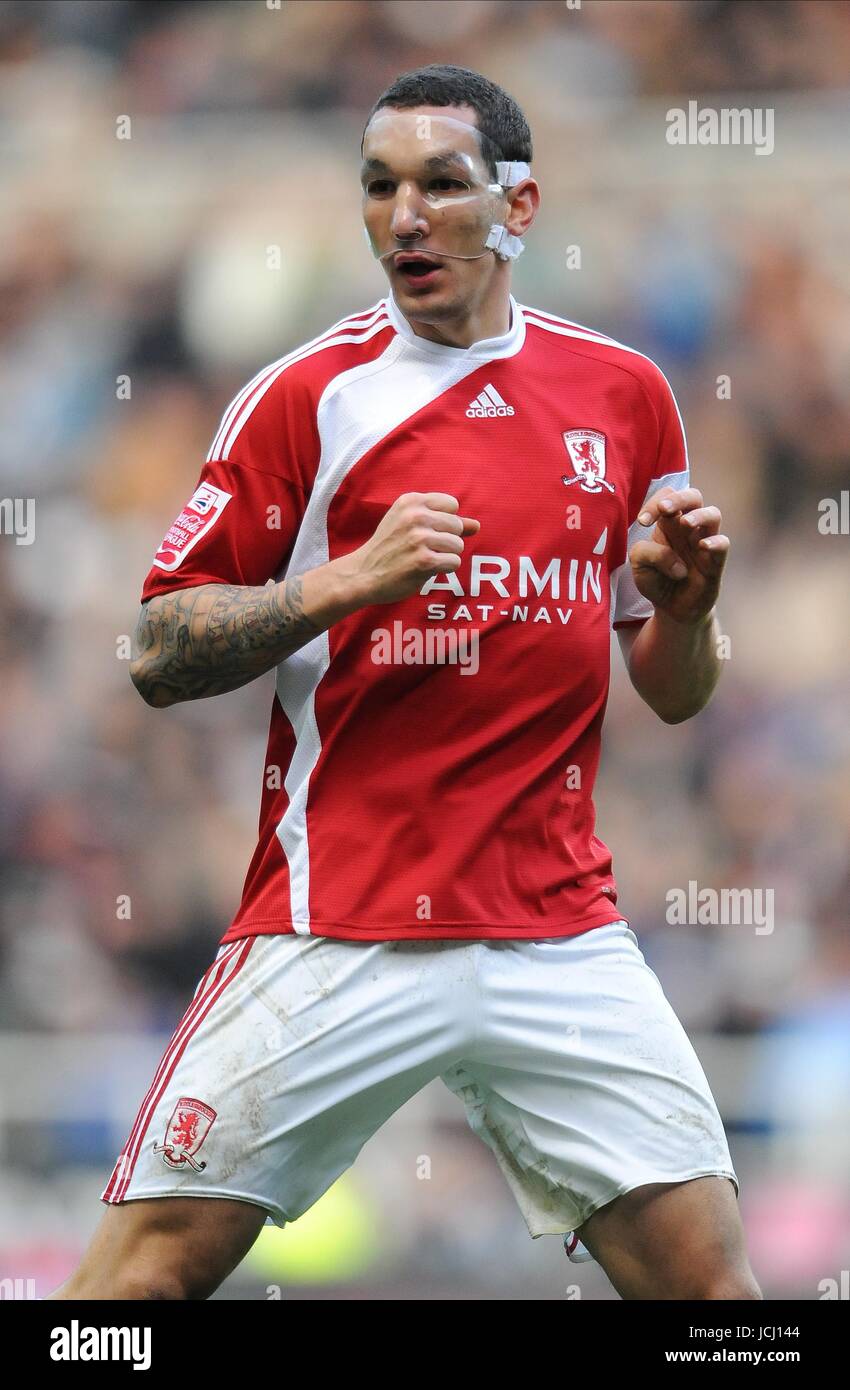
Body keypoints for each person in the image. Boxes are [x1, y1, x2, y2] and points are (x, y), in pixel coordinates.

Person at [49, 64, 761, 1301]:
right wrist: (337, 585)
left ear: (520, 207)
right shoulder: (307, 398)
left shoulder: (625, 396)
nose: (405, 216)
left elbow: (674, 689)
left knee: (716, 1297)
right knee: (129, 1295)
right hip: (340, 925)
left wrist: (689, 615)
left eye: (441, 183)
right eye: (379, 188)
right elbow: (157, 653)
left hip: (557, 931)